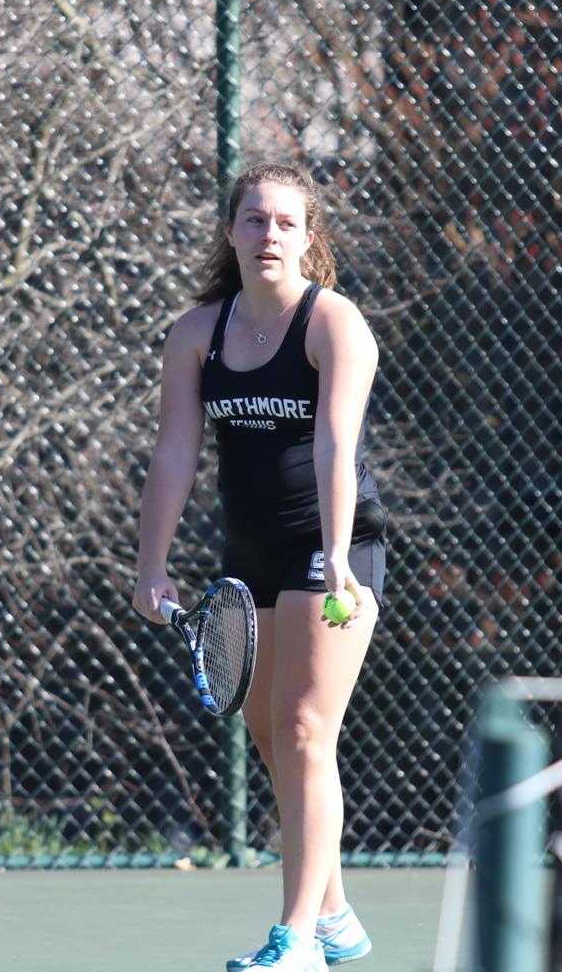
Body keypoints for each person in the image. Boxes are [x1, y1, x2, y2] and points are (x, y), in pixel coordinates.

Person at [132, 161, 387, 971]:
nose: (267, 234)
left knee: (308, 730)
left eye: (285, 222)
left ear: (307, 239)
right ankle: (337, 914)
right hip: (249, 556)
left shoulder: (333, 324)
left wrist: (341, 558)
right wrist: (152, 565)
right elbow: (175, 452)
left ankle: (299, 942)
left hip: (331, 546)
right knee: (274, 738)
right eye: (253, 219)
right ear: (232, 233)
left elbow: (336, 445)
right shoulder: (196, 334)